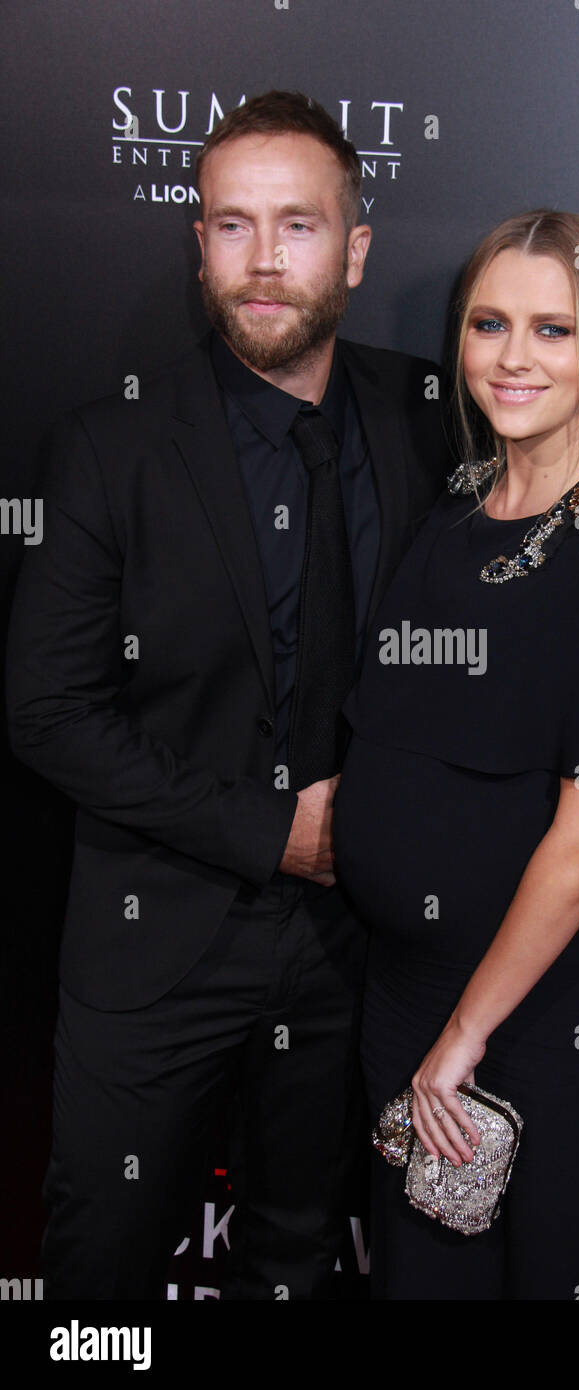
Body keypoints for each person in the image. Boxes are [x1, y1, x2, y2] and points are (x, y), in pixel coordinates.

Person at [5, 90, 449, 1300]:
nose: (263, 263)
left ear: (354, 250)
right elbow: (47, 711)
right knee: (101, 1271)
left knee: (298, 1253)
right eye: (231, 226)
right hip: (159, 946)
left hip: (351, 948)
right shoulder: (109, 447)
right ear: (196, 244)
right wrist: (275, 832)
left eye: (297, 226)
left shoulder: (429, 419)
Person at [333, 209, 579, 1300]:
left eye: (551, 330)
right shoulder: (461, 502)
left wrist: (462, 1036)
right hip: (413, 996)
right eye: (488, 323)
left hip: (546, 1021)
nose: (509, 357)